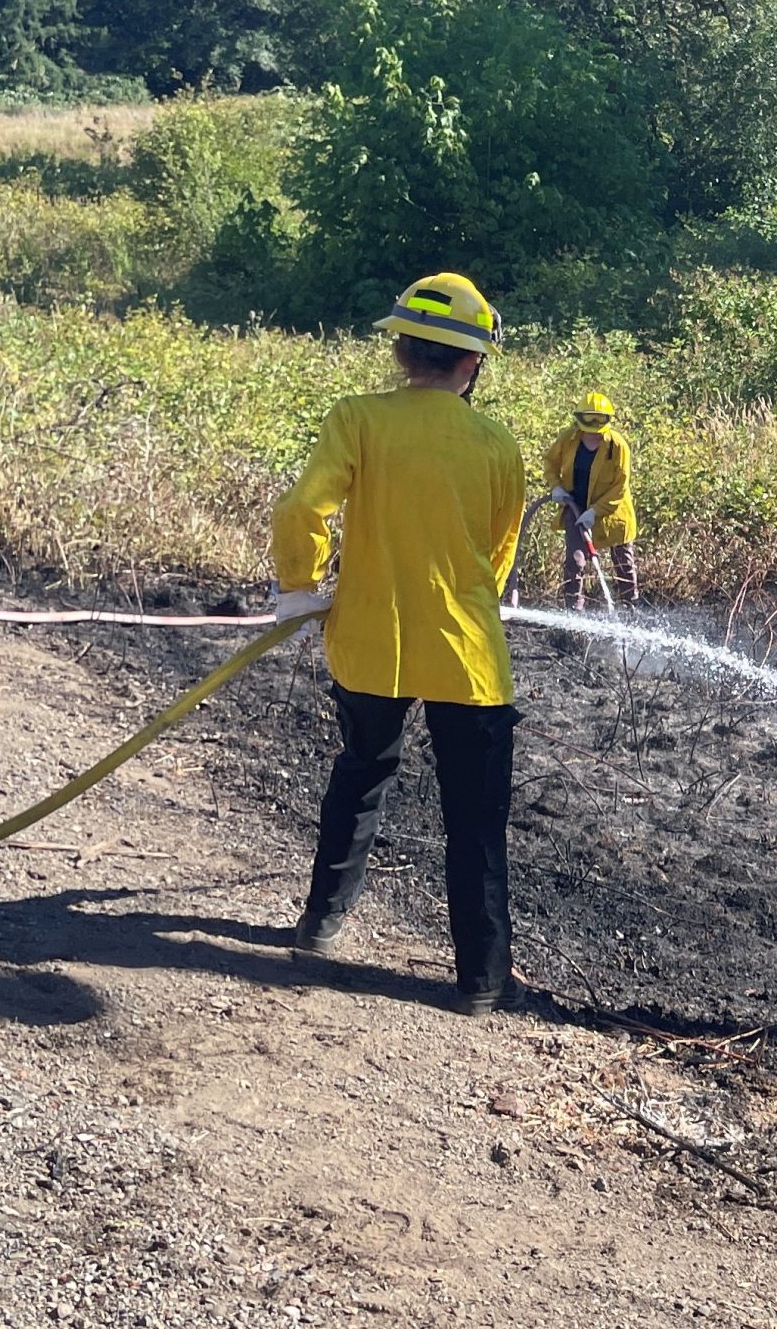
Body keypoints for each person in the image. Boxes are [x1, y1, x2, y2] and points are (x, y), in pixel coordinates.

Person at [269, 271, 528, 1015]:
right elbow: (495, 555)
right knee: (475, 821)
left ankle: (319, 927)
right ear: (473, 361)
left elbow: (302, 509)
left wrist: (300, 586)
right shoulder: (497, 444)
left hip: (369, 644)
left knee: (360, 775)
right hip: (468, 657)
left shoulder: (357, 419)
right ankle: (481, 983)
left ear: (402, 353)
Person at [542, 391, 640, 608]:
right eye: (589, 418)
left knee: (624, 565)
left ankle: (631, 610)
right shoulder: (568, 439)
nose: (594, 425)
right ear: (579, 418)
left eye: (599, 419)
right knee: (574, 563)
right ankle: (573, 614)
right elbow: (550, 463)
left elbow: (620, 487)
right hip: (576, 509)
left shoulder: (618, 445)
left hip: (612, 514)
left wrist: (595, 512)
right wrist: (556, 486)